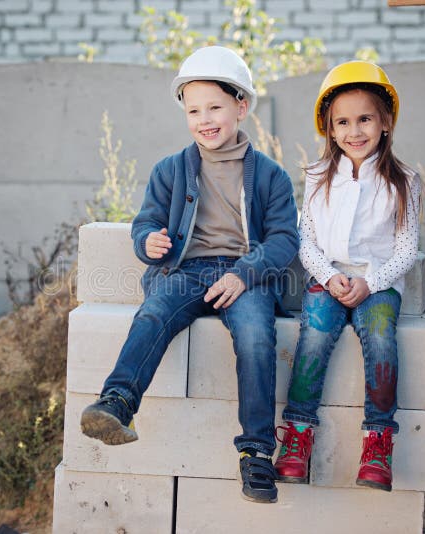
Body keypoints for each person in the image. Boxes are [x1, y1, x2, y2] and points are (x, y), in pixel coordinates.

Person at [79, 45, 299, 504]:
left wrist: (245, 274)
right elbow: (145, 221)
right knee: (154, 311)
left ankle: (256, 452)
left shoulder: (272, 176)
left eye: (215, 106)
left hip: (245, 275)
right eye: (193, 109)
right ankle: (117, 403)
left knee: (258, 337)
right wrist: (148, 242)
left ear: (241, 106)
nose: (205, 118)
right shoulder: (170, 170)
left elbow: (283, 240)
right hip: (187, 269)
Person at [273, 61, 421, 492]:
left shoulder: (404, 182)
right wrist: (329, 276)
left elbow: (406, 249)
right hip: (329, 278)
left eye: (365, 119)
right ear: (329, 129)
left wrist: (370, 284)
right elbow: (307, 242)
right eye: (342, 121)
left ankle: (378, 442)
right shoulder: (318, 178)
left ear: (385, 122)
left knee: (379, 337)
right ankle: (298, 436)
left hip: (378, 282)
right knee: (315, 332)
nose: (354, 130)